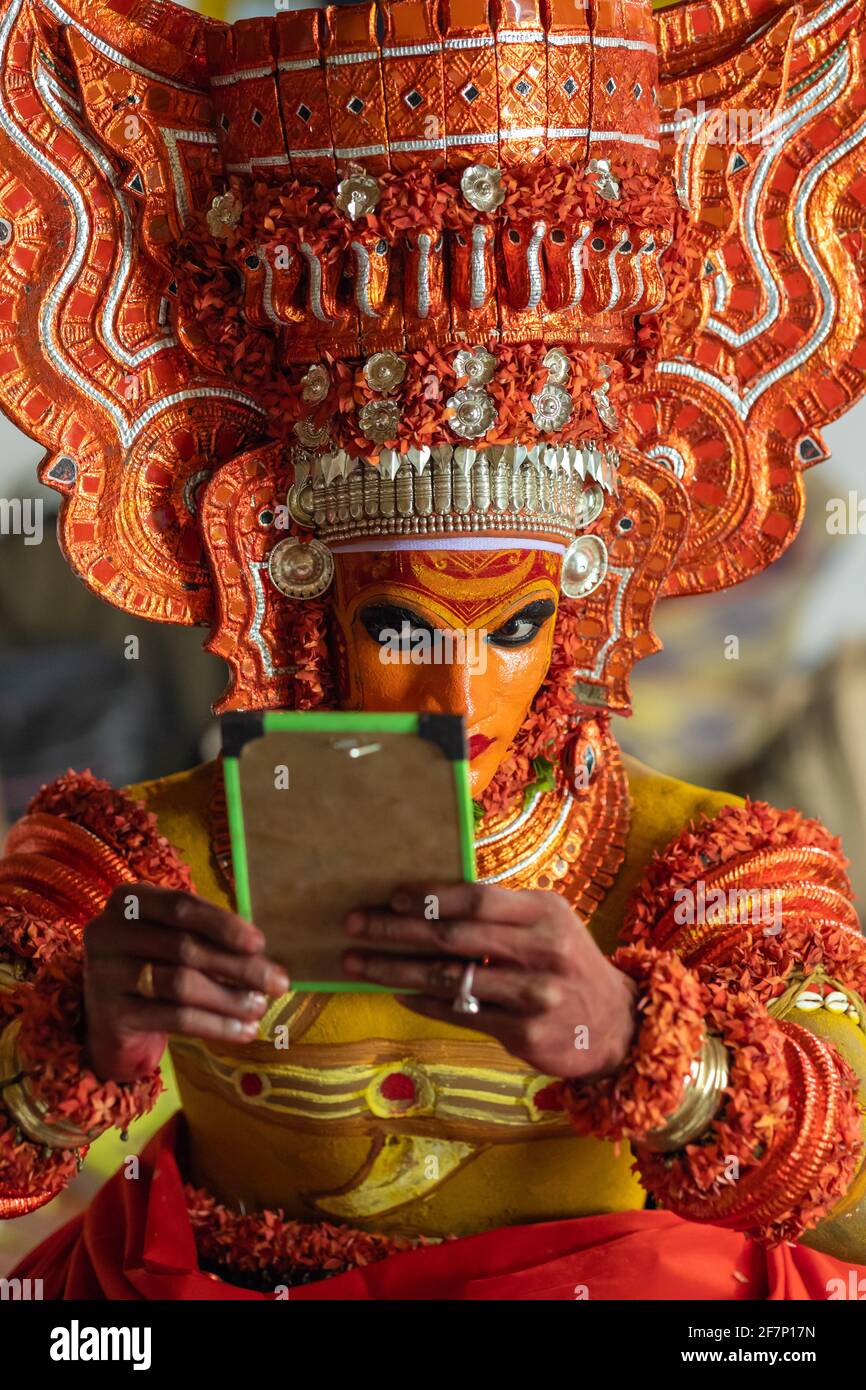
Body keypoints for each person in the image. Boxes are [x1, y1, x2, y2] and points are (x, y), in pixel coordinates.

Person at [1, 0, 866, 1299]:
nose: (458, 693)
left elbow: (844, 1194)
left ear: (581, 604)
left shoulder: (719, 877)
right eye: (398, 625)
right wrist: (81, 1028)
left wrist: (647, 1045)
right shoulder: (140, 865)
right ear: (298, 588)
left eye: (511, 626)